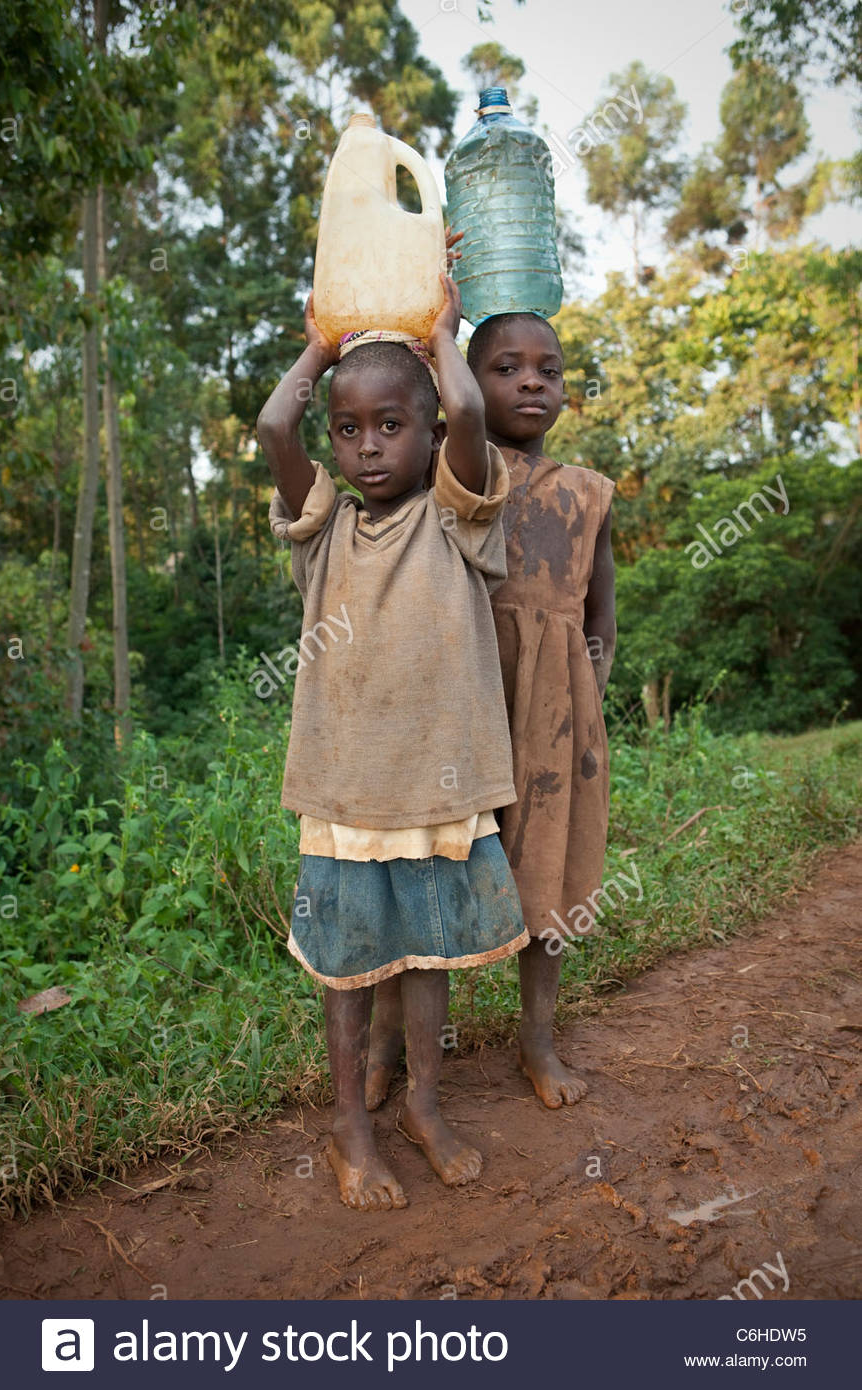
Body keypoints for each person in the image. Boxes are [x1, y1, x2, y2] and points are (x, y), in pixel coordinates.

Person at [256, 276, 528, 1211]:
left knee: (428, 959)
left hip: (438, 791)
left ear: (427, 435)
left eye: (389, 426)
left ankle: (422, 1104)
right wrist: (322, 348)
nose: (368, 447)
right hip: (346, 795)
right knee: (349, 968)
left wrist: (439, 331)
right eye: (349, 428)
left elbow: (460, 400)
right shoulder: (322, 529)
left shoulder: (460, 518)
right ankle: (350, 1127)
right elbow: (271, 429)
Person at [367, 309, 616, 1111]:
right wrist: (425, 315)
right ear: (467, 385)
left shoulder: (589, 494)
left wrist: (585, 701)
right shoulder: (447, 463)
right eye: (506, 367)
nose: (532, 381)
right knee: (420, 869)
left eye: (548, 368)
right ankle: (385, 1050)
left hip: (553, 721)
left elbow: (600, 617)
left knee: (550, 872)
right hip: (453, 709)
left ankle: (538, 1043)